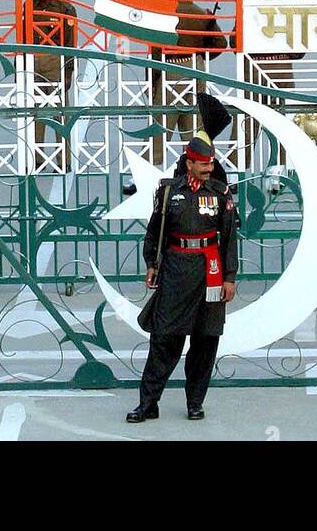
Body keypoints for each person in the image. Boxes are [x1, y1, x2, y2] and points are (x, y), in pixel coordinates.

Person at [128, 93, 239, 424]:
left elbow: (230, 237)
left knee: (205, 341)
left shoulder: (220, 194)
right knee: (164, 340)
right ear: (189, 162)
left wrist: (230, 277)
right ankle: (148, 403)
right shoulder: (169, 191)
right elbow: (154, 233)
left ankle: (195, 402)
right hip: (176, 271)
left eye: (211, 163)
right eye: (203, 163)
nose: (209, 168)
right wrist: (151, 264)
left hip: (211, 272)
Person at [28, 0, 78, 168]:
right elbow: (24, 36)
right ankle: (37, 159)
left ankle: (63, 160)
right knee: (36, 113)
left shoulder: (65, 8)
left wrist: (68, 72)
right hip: (33, 63)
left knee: (60, 114)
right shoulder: (29, 7)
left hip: (56, 64)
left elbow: (70, 42)